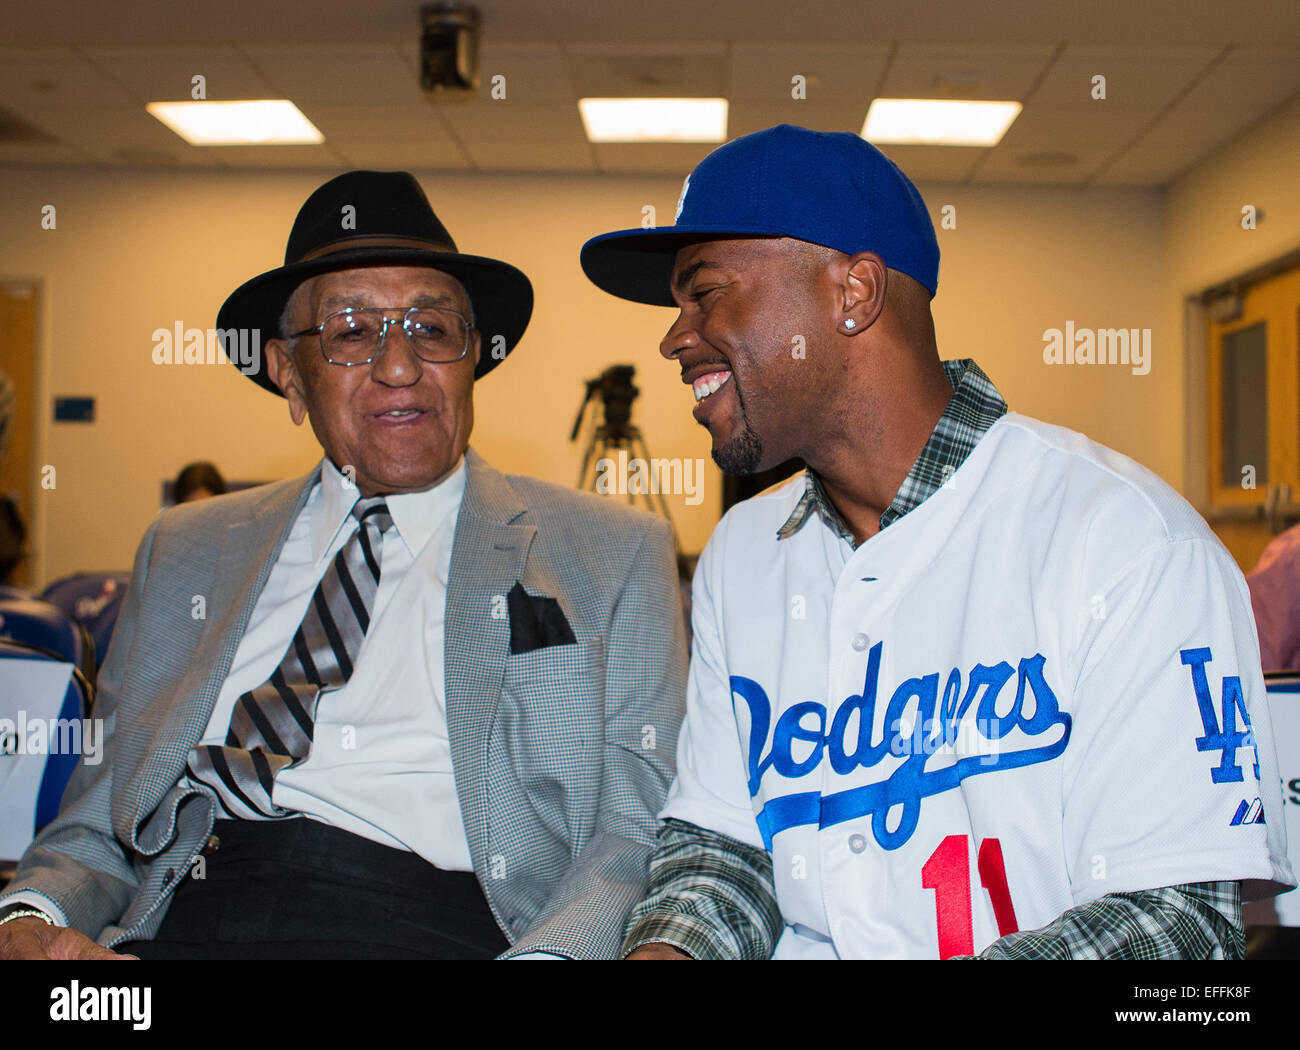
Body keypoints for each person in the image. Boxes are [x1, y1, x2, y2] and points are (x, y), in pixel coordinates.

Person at [579, 124, 1295, 959]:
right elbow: (726, 851)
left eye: (703, 293)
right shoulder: (744, 552)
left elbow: (1173, 921)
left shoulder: (1125, 538)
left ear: (855, 293)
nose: (674, 335)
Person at [0, 170, 685, 960]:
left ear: (471, 359)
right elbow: (96, 825)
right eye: (353, 331)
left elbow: (632, 835)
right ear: (287, 371)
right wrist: (32, 920)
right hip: (171, 924)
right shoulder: (185, 550)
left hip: (435, 929)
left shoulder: (609, 553)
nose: (399, 366)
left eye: (432, 329)